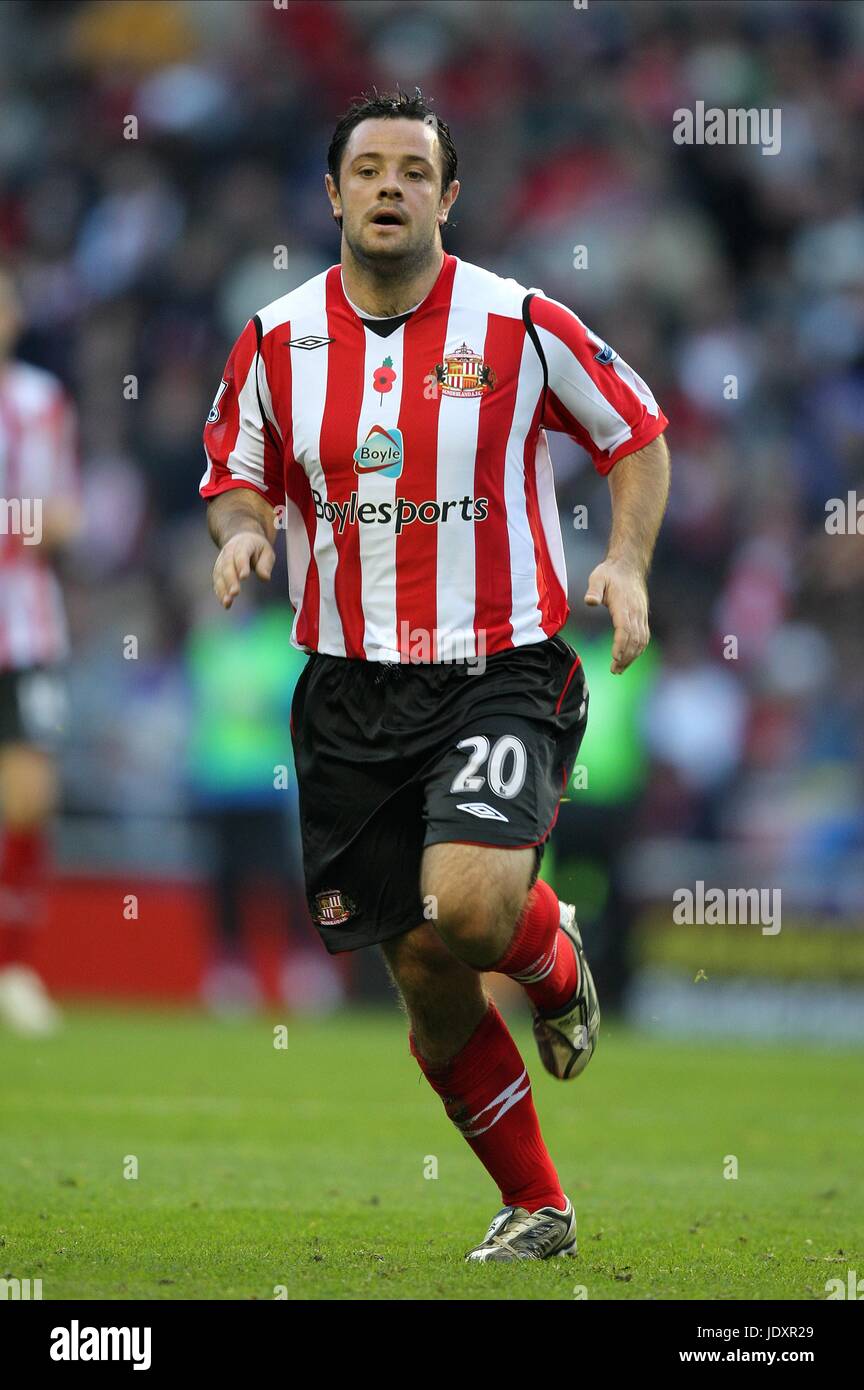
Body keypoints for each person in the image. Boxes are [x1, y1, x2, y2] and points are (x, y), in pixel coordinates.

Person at [200, 88, 669, 1261]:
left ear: (448, 196)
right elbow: (234, 475)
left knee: (468, 908)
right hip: (349, 687)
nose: (390, 187)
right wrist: (248, 534)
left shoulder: (519, 322)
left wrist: (625, 561)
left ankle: (553, 961)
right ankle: (539, 1205)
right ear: (334, 195)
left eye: (415, 170)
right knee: (420, 964)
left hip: (500, 662)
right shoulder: (273, 337)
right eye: (369, 170)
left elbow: (637, 430)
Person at [0, 266, 80, 1036]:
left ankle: (14, 968)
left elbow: (63, 519)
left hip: (24, 631)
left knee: (29, 801)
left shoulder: (40, 401)